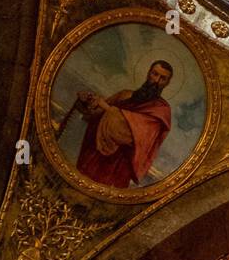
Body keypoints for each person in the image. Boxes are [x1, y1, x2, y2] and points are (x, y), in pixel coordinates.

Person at [73, 60, 173, 189]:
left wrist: (106, 108)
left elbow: (131, 132)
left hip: (117, 165)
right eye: (155, 74)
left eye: (163, 78)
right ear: (148, 73)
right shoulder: (125, 94)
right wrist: (89, 101)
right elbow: (94, 114)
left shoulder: (160, 110)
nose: (157, 81)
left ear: (167, 83)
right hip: (95, 152)